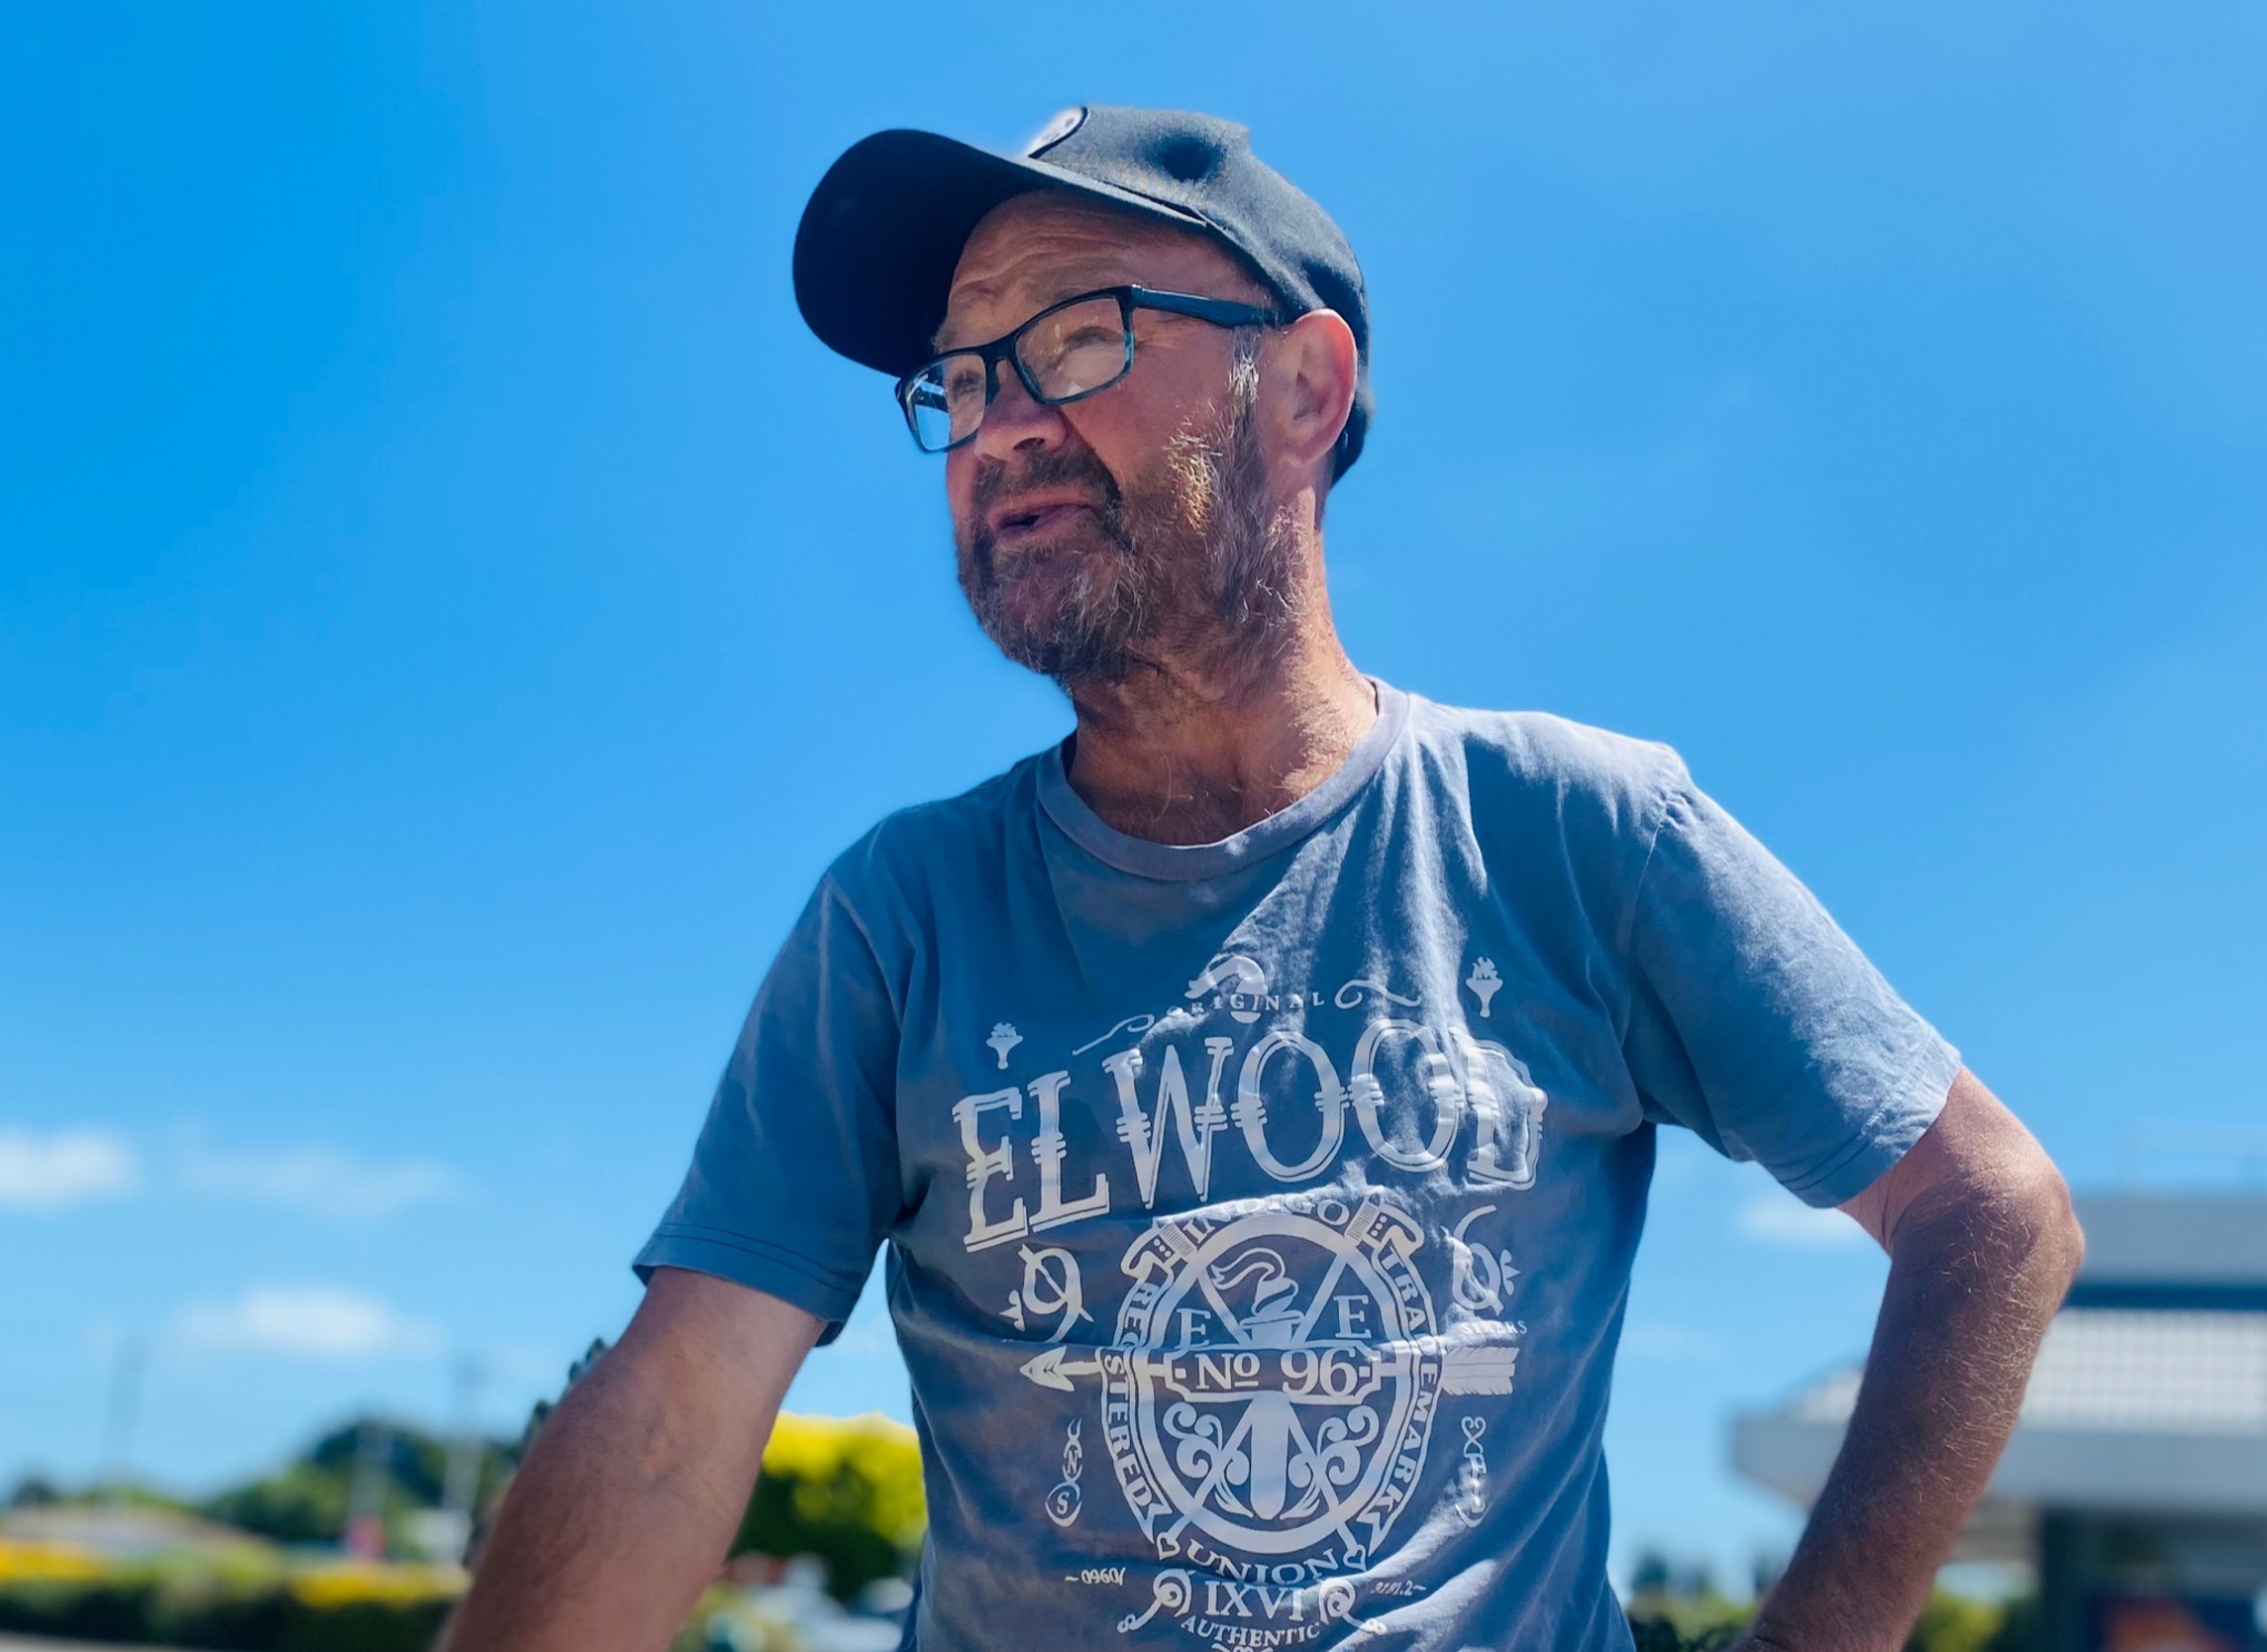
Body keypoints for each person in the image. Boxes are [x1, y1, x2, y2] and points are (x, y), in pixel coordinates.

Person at [444, 106, 2082, 1652]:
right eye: (960, 376)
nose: (998, 424)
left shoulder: (1576, 835)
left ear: (1304, 386)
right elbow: (672, 1424)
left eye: (1073, 338)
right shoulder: (902, 918)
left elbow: (1991, 1211)